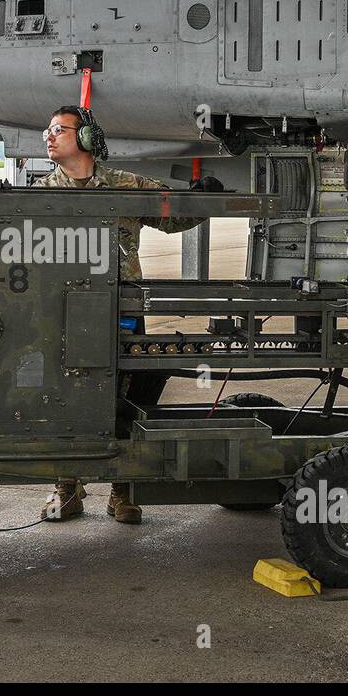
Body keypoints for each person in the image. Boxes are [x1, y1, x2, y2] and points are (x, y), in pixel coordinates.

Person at [32, 105, 221, 524]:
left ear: (84, 139)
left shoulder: (124, 184)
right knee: (66, 398)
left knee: (128, 396)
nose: (48, 136)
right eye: (48, 130)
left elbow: (174, 218)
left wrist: (203, 196)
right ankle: (67, 486)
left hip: (122, 309)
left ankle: (123, 489)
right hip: (61, 312)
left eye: (59, 130)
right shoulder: (41, 192)